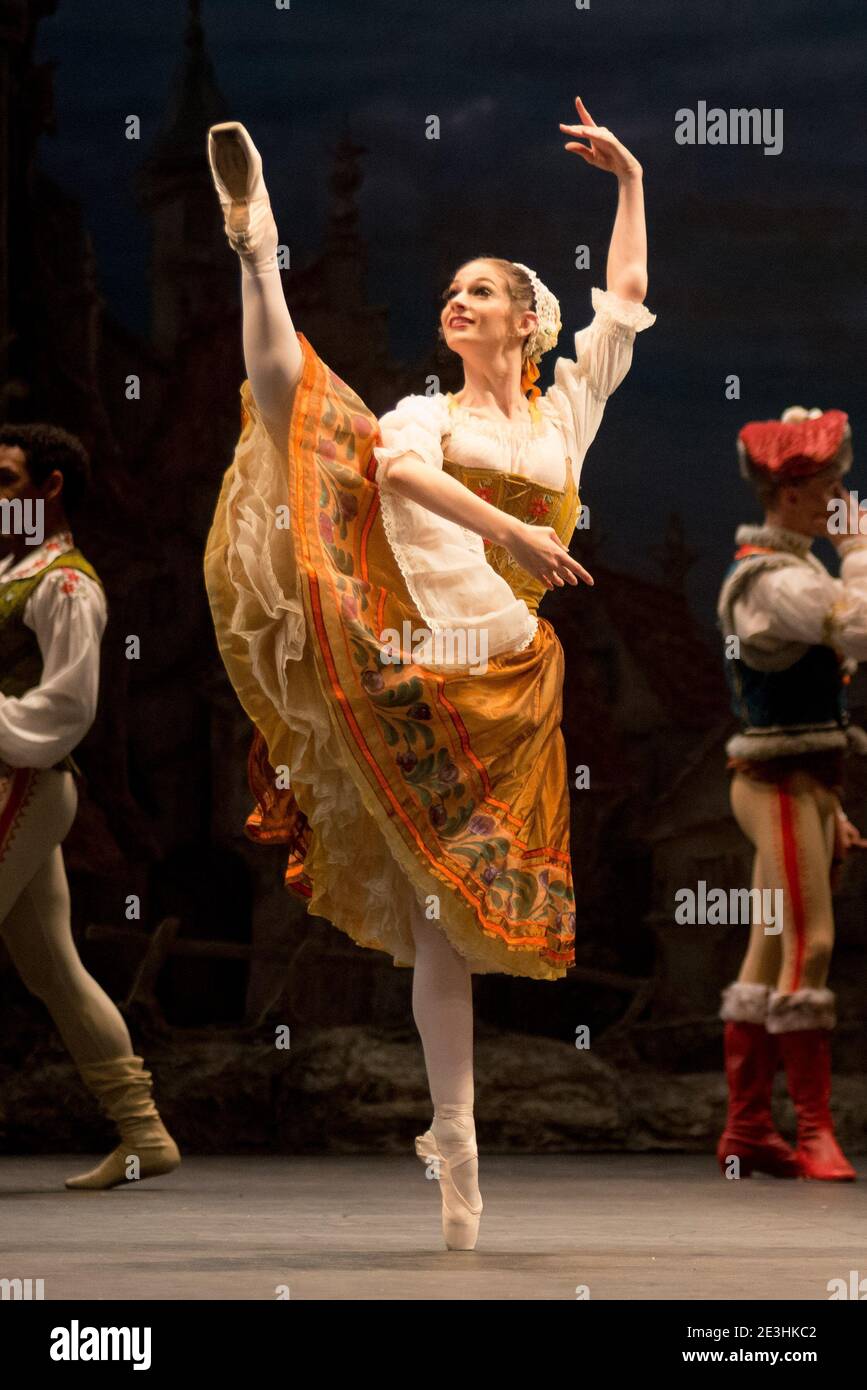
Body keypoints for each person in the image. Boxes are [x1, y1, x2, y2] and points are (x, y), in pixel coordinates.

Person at [204, 98, 654, 1248]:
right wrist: (509, 535)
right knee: (297, 410)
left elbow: (630, 302)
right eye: (450, 292)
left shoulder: (569, 413)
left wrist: (630, 182)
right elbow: (399, 481)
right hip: (410, 634)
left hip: (506, 680)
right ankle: (258, 248)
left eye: (482, 291)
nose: (456, 301)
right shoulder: (424, 414)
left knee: (448, 925)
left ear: (524, 323)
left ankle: (456, 1155)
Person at [0, 422, 179, 1190]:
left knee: (55, 967)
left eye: (5, 482)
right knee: (55, 968)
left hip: (25, 783)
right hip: (20, 783)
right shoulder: (14, 572)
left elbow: (67, 707)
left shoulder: (66, 583)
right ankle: (144, 1134)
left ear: (49, 489)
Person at [716, 405, 867, 1182]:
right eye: (831, 485)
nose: (844, 495)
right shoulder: (772, 581)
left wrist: (830, 807)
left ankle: (745, 1128)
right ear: (791, 495)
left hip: (800, 778)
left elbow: (817, 709)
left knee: (769, 943)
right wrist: (859, 550)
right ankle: (812, 1131)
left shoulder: (794, 571)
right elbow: (861, 629)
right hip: (771, 781)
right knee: (812, 942)